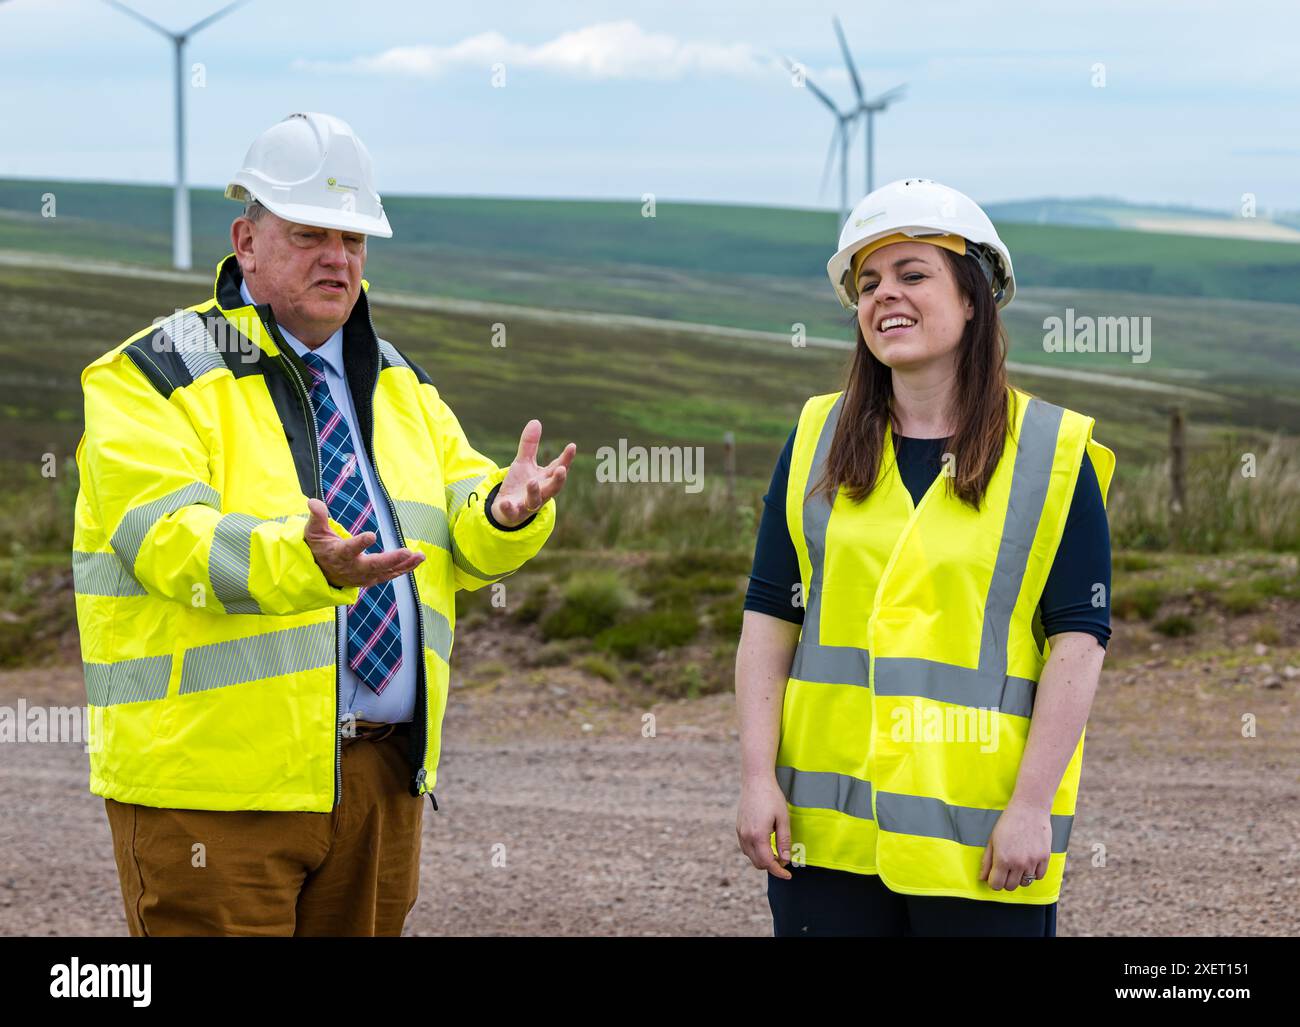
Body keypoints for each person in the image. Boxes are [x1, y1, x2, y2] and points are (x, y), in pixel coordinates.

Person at [72, 112, 575, 937]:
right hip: (214, 790)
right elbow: (166, 540)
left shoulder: (398, 381)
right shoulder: (149, 376)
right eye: (310, 234)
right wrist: (307, 562)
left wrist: (504, 512)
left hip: (379, 776)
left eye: (354, 239)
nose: (337, 258)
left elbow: (459, 522)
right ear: (247, 240)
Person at [734, 178, 1116, 937]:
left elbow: (1078, 640)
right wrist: (754, 781)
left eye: (913, 274)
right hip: (827, 838)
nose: (886, 297)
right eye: (869, 283)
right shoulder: (817, 435)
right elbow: (769, 618)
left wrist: (1032, 807)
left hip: (980, 842)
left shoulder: (1051, 452)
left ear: (974, 296)